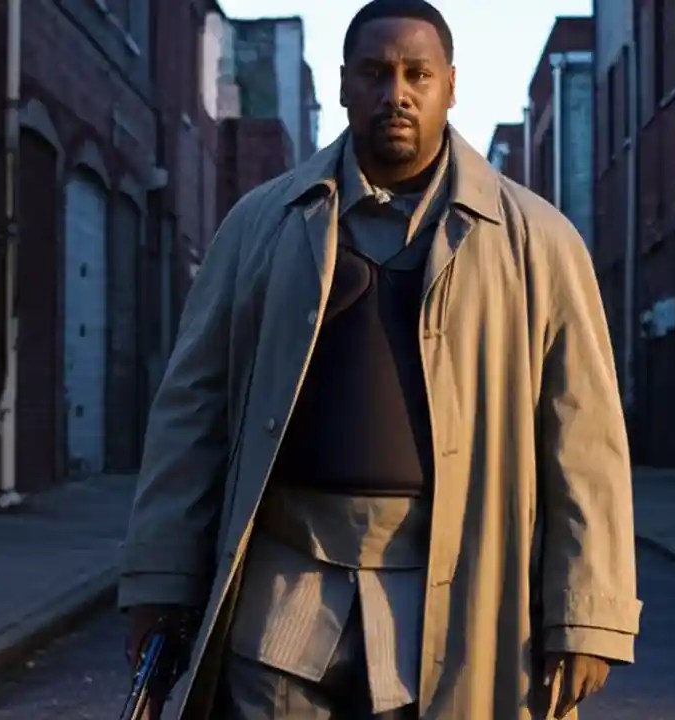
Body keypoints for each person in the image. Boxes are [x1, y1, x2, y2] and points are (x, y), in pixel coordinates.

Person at [118, 1, 642, 718]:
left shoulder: (538, 244)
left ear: (450, 86)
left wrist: (588, 613)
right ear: (342, 85)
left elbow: (585, 440)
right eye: (375, 72)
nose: (396, 92)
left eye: (416, 74)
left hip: (456, 591)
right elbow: (191, 410)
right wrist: (161, 578)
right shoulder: (261, 227)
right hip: (283, 589)